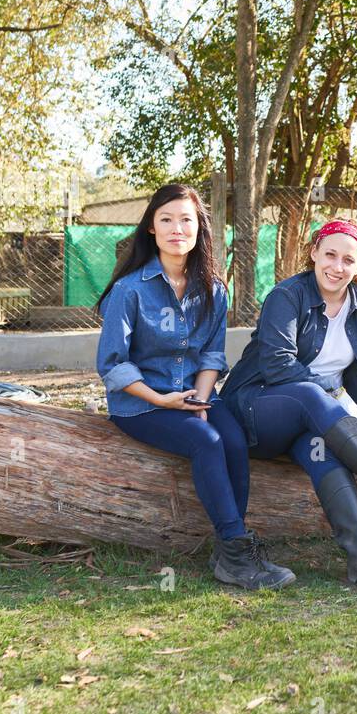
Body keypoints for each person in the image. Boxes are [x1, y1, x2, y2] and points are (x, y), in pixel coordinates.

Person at [96, 183, 294, 591]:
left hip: (193, 392)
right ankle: (238, 551)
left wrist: (201, 399)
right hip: (141, 402)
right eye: (166, 219)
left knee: (235, 441)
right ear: (151, 228)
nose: (176, 228)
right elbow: (113, 364)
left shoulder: (213, 289)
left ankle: (229, 549)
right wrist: (161, 399)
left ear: (199, 227)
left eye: (185, 219)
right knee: (206, 441)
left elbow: (211, 357)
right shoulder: (129, 290)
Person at [220, 218, 357, 592]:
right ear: (313, 253)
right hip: (255, 412)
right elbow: (279, 365)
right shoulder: (287, 296)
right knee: (310, 395)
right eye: (329, 254)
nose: (337, 266)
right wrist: (333, 398)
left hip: (311, 422)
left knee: (324, 456)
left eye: (348, 259)